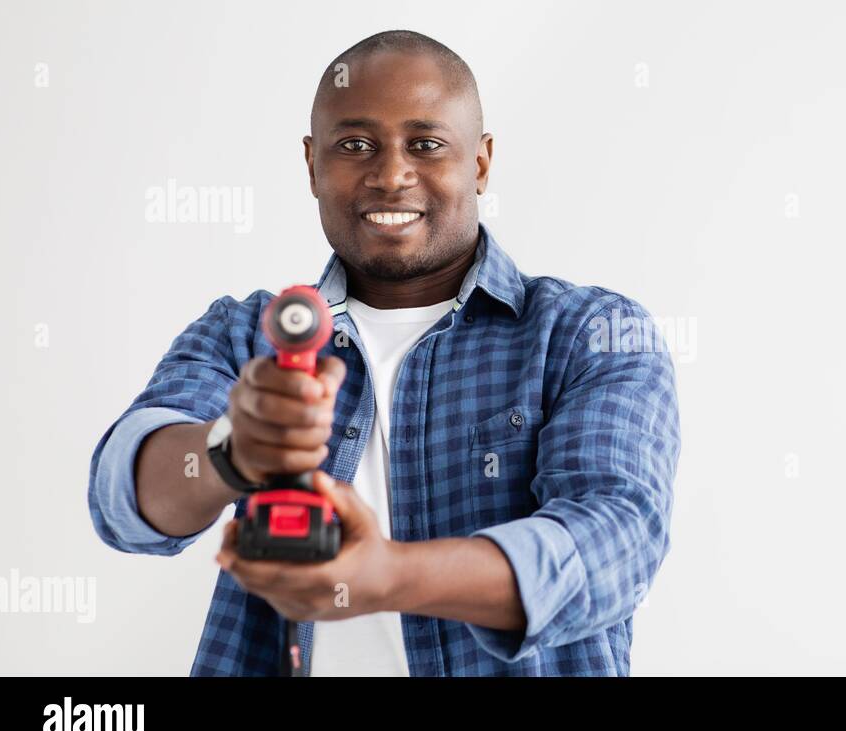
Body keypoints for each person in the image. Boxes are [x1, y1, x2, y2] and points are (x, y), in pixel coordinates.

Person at [86, 30, 681, 676]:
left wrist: (389, 576)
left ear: (480, 163)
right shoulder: (245, 333)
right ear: (312, 163)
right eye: (355, 144)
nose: (391, 174)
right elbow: (122, 497)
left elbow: (615, 539)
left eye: (425, 144)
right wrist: (234, 450)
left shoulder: (589, 334)